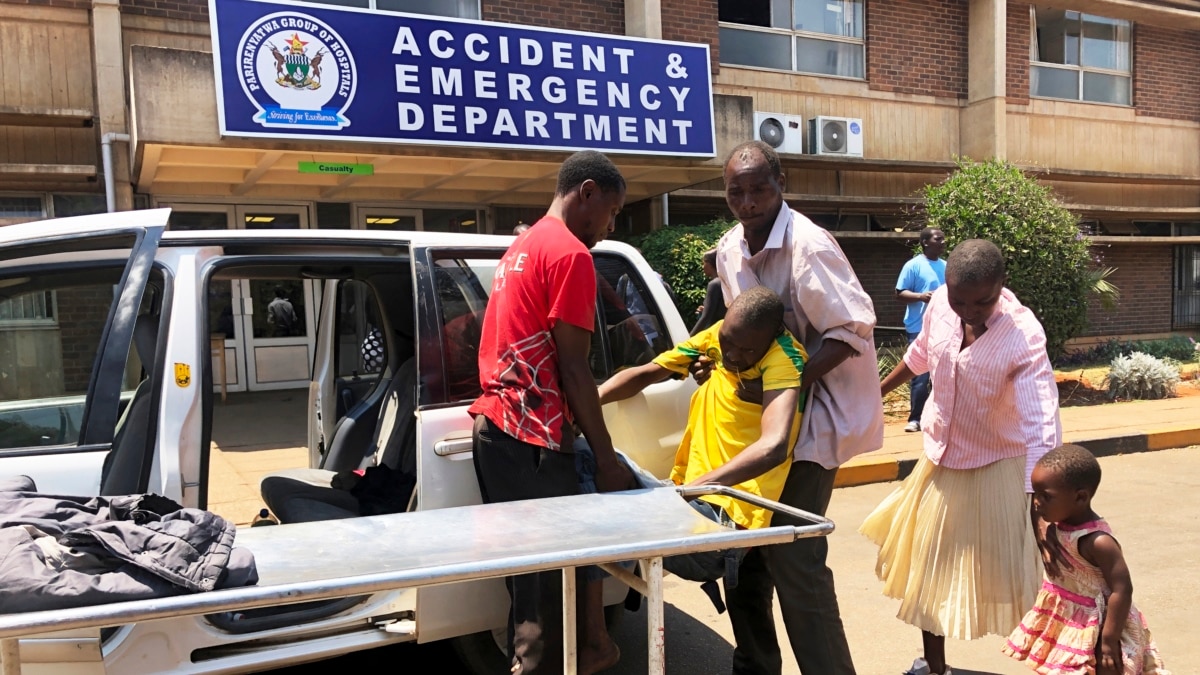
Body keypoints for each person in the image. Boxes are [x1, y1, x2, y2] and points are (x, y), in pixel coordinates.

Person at [708, 140, 883, 675]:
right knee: (742, 552)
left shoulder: (810, 246)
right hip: (756, 422)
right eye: (736, 192)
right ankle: (756, 666)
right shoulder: (728, 250)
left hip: (816, 422)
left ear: (780, 184)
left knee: (793, 557)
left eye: (759, 189)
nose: (748, 201)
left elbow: (850, 329)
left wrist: (786, 385)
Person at [467, 150, 633, 675]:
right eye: (612, 212)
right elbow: (575, 368)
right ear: (587, 192)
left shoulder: (523, 245)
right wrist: (606, 462)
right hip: (532, 440)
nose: (609, 227)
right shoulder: (570, 255)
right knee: (547, 601)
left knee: (528, 588)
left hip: (496, 428)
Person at [866, 239, 1062, 675]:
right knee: (927, 568)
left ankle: (1058, 663)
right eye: (960, 300)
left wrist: (1042, 503)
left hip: (1000, 464)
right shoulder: (939, 303)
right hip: (942, 459)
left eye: (983, 301)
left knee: (1024, 578)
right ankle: (935, 668)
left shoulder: (1023, 334)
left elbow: (1041, 421)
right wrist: (876, 391)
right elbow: (920, 354)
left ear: (1001, 286)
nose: (970, 311)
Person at [598, 285, 805, 531]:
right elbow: (647, 374)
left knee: (616, 525)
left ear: (771, 337)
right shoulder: (717, 335)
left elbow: (774, 446)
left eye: (748, 350)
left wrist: (692, 491)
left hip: (733, 507)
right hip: (694, 489)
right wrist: (588, 402)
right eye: (727, 341)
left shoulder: (785, 359)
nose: (733, 355)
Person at [1003, 445, 1170, 675]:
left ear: (1080, 497)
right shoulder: (1055, 527)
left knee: (1105, 668)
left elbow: (1122, 590)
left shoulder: (1098, 541)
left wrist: (1109, 641)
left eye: (1046, 497)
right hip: (1069, 618)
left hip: (1103, 624)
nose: (1037, 503)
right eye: (1035, 494)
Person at [895, 227, 946, 432]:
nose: (943, 241)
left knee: (941, 375)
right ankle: (915, 418)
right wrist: (921, 296)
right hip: (919, 327)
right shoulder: (913, 265)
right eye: (938, 238)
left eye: (943, 239)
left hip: (944, 327)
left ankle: (936, 418)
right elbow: (899, 293)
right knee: (920, 374)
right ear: (925, 242)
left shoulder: (947, 266)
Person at [692, 248, 727, 336]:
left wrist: (690, 337)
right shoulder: (726, 281)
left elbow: (706, 318)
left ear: (710, 264)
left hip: (715, 333)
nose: (703, 266)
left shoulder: (714, 284)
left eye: (704, 262)